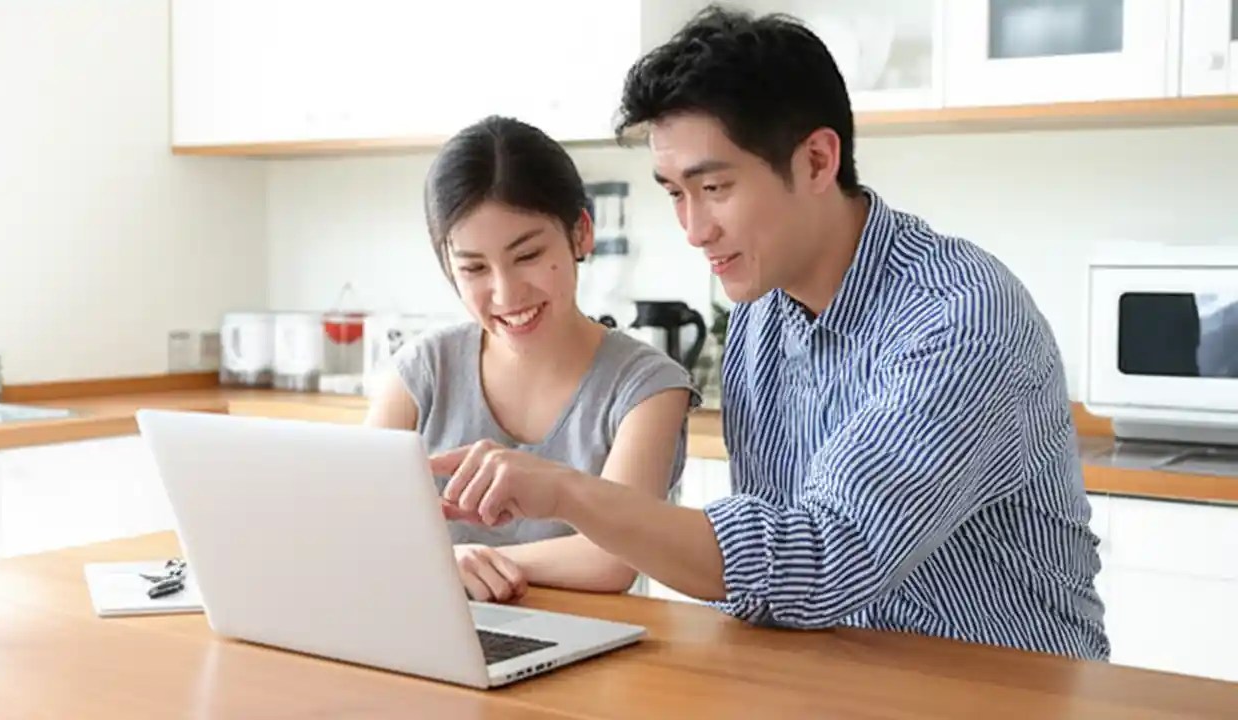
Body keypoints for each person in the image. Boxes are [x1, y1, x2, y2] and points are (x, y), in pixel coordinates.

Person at [432, 7, 1110, 660]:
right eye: (674, 192)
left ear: (817, 161)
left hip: (1001, 692)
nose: (694, 230)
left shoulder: (959, 319)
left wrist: (566, 492)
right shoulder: (761, 312)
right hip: (829, 679)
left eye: (715, 187)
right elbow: (774, 569)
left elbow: (822, 561)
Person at [365, 115, 698, 603]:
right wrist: (444, 564)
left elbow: (612, 560)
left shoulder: (649, 388)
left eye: (527, 255)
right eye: (474, 268)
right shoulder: (421, 371)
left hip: (606, 657)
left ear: (582, 232)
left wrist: (453, 562)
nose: (505, 292)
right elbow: (359, 525)